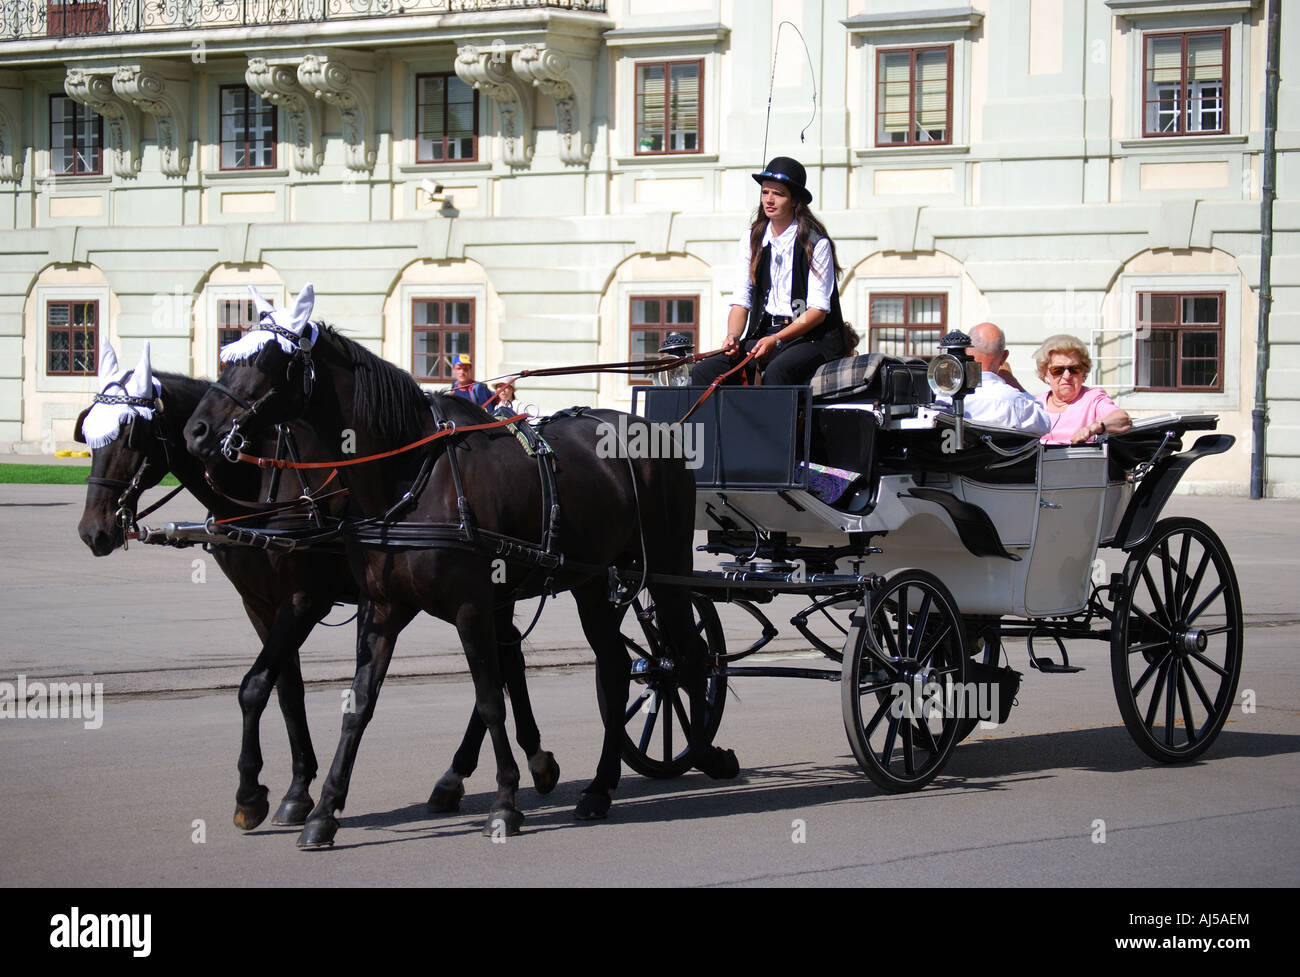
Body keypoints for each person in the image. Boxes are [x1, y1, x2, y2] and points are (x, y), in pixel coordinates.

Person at [690, 156, 847, 387]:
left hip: (810, 339)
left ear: (795, 200)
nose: (769, 200)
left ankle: (776, 424)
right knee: (705, 371)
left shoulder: (815, 242)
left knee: (777, 371)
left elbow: (818, 311)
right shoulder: (752, 239)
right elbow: (741, 300)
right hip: (764, 333)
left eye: (779, 194)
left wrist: (776, 339)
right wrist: (733, 336)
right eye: (765, 192)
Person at [936, 322, 1049, 436]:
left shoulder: (940, 394)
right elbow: (1044, 422)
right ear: (1004, 357)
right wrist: (1012, 381)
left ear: (966, 350)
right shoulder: (1010, 399)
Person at [1034, 334, 1132, 444]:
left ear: (1083, 373)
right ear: (1045, 375)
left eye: (1074, 369)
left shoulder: (1093, 398)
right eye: (1057, 370)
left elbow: (1123, 420)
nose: (1067, 376)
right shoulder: (1035, 405)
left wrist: (1094, 428)